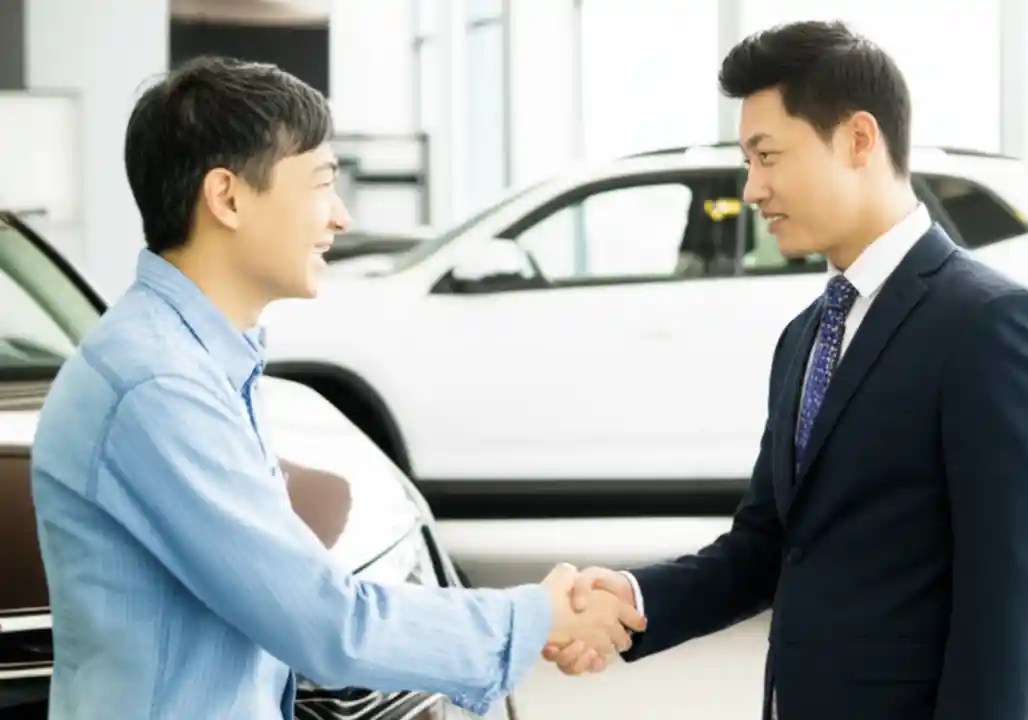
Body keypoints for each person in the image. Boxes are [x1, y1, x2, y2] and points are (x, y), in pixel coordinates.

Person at [29, 56, 643, 719]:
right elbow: (324, 622)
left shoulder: (196, 358)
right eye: (321, 183)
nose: (341, 216)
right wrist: (538, 617)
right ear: (228, 197)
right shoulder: (156, 385)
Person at [543, 20, 1028, 720]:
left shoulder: (993, 326)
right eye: (747, 161)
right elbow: (767, 549)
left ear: (859, 140)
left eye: (767, 156)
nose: (752, 188)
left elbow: (1007, 616)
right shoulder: (806, 336)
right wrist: (632, 600)